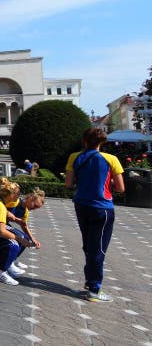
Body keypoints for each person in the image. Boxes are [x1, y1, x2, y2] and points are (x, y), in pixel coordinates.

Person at [65, 127, 124, 303]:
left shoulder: (74, 157)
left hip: (81, 205)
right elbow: (121, 188)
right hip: (102, 207)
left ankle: (90, 280)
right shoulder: (111, 159)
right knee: (98, 248)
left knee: (89, 244)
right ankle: (94, 290)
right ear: (102, 142)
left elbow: (68, 183)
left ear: (84, 141)